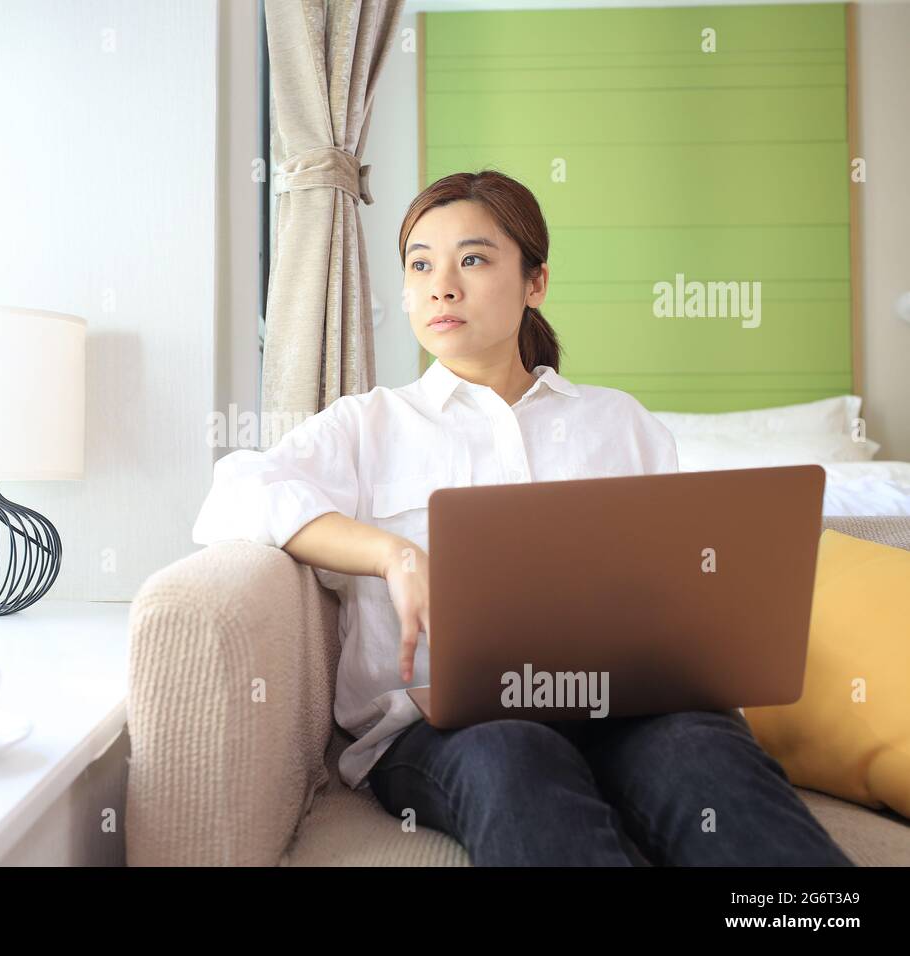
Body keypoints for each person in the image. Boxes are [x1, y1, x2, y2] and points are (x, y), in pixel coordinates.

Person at [191, 169, 852, 867]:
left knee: (704, 752)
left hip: (623, 710)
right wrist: (393, 554)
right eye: (421, 264)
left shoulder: (619, 423)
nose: (441, 284)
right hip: (450, 730)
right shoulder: (369, 425)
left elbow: (686, 586)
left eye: (472, 259)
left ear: (535, 283)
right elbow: (235, 490)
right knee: (517, 755)